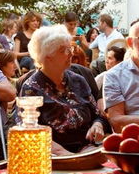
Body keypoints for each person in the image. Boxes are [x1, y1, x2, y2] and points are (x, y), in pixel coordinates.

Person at [20, 25, 110, 155]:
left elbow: (98, 116)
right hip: (53, 157)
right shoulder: (31, 88)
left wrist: (98, 125)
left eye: (70, 48)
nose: (71, 53)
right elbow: (30, 132)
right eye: (64, 50)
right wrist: (67, 155)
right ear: (47, 56)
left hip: (88, 150)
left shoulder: (78, 80)